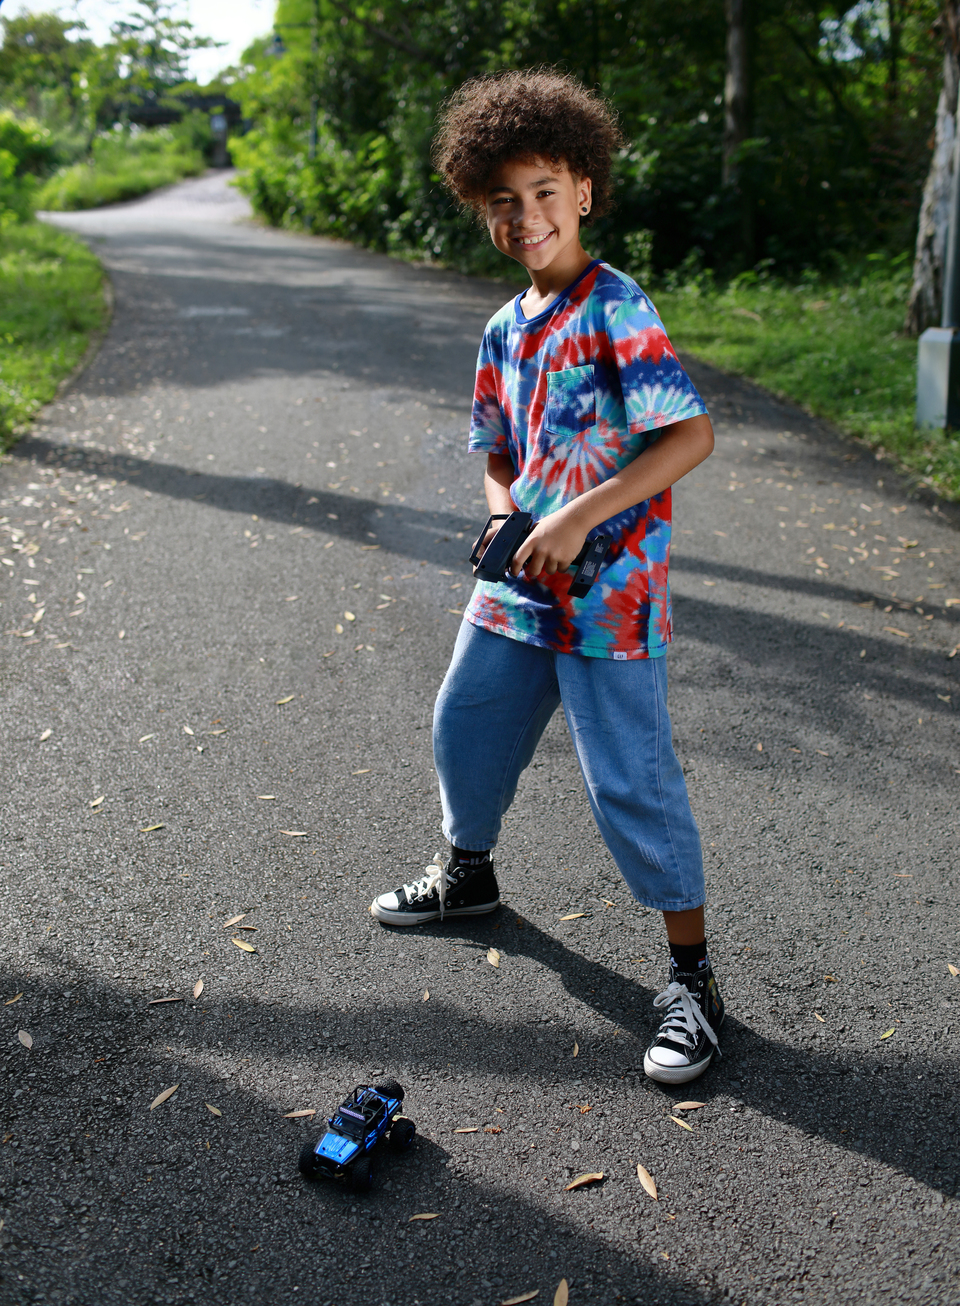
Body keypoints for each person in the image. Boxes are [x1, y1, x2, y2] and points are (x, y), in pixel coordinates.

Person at [370, 69, 723, 1085]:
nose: (526, 216)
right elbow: (497, 446)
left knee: (629, 783)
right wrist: (504, 511)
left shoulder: (616, 307)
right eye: (503, 200)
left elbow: (688, 435)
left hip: (611, 597)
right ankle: (468, 874)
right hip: (516, 586)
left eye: (545, 192)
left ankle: (693, 980)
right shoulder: (502, 327)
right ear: (480, 208)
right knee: (465, 723)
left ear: (584, 190)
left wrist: (576, 515)